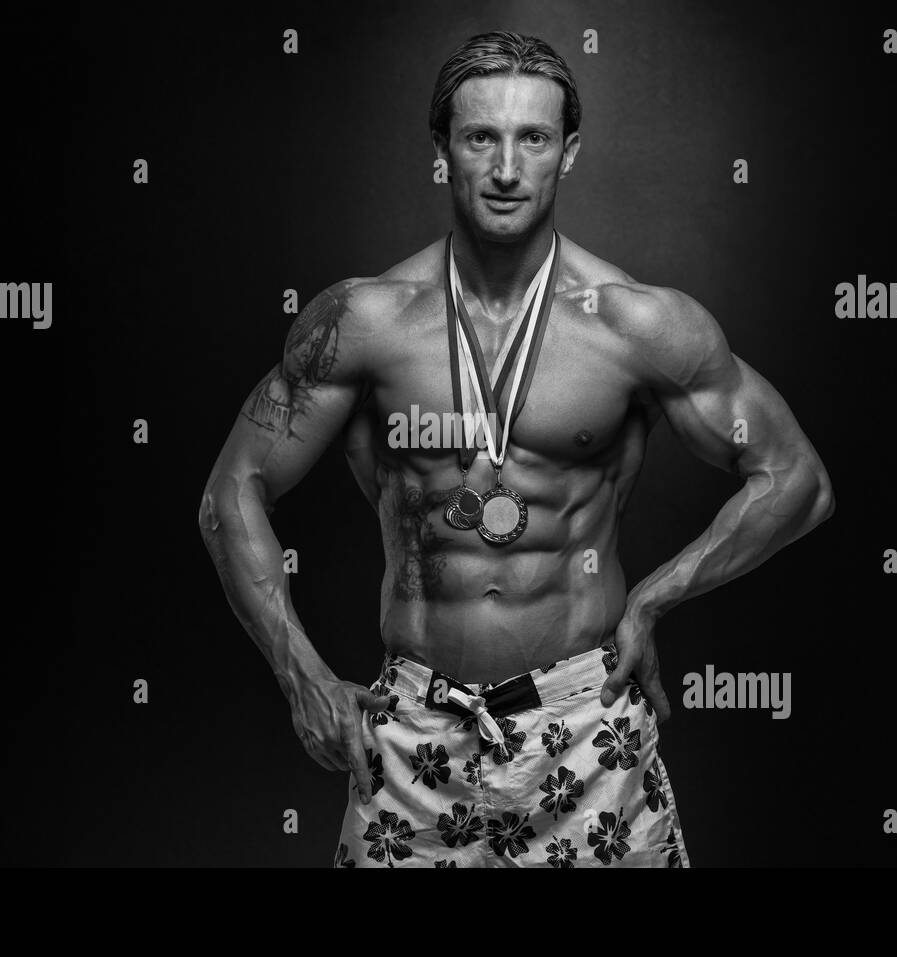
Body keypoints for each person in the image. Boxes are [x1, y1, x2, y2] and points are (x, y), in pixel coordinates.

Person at [197, 31, 834, 867]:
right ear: (441, 150)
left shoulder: (640, 323)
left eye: (533, 138)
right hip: (415, 739)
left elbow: (797, 479)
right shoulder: (362, 322)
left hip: (588, 729)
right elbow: (231, 491)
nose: (506, 168)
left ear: (568, 151)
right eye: (480, 138)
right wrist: (301, 673)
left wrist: (653, 598)